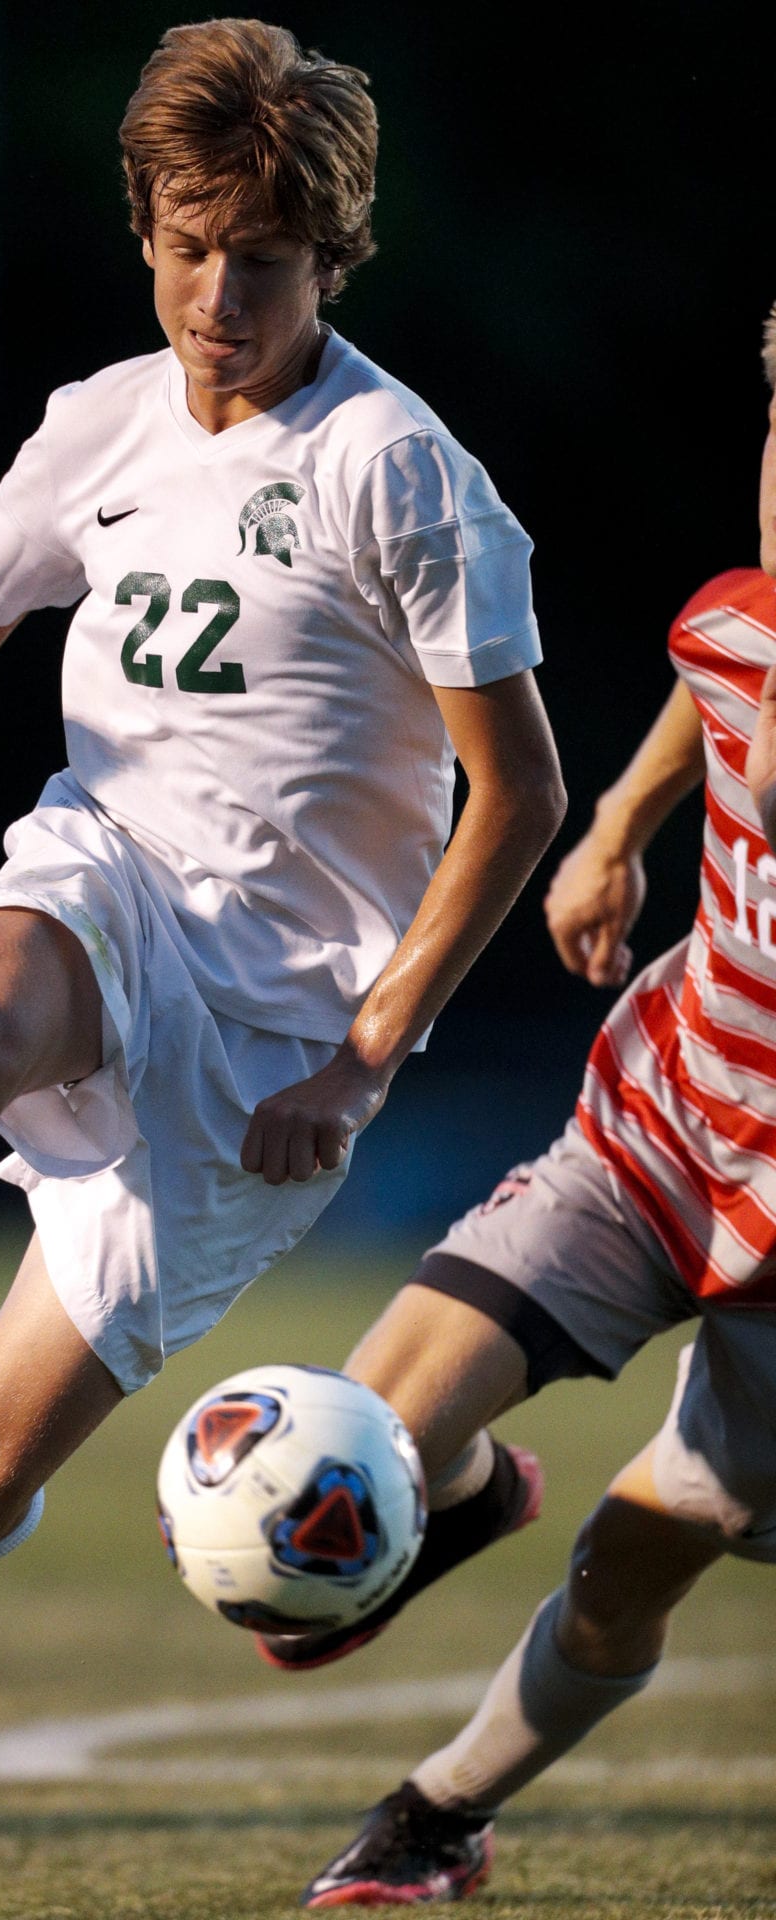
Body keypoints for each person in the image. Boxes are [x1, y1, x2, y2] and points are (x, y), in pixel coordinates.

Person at [0, 17, 564, 1795]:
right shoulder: (100, 420)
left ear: (332, 258)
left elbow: (525, 794)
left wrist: (363, 1059)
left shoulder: (395, 469)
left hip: (267, 1044)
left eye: (262, 261)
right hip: (109, 883)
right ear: (150, 236)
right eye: (189, 251)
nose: (219, 297)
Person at [292, 301, 776, 1907]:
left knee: (641, 1560)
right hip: (656, 1130)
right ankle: (471, 1489)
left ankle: (437, 1814)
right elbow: (721, 682)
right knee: (343, 1460)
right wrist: (622, 825)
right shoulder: (746, 620)